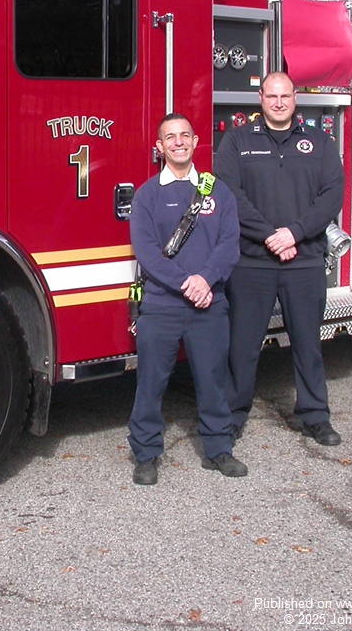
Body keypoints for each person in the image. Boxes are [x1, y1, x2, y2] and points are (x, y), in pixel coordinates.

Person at [214, 71, 345, 447]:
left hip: (304, 262)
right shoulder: (236, 141)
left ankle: (315, 416)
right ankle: (232, 416)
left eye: (285, 96)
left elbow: (331, 196)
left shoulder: (319, 142)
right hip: (252, 262)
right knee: (242, 346)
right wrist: (271, 235)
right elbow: (229, 194)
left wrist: (295, 233)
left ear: (295, 98)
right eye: (271, 96)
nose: (278, 102)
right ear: (260, 98)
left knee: (308, 345)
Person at [128, 114, 246, 484]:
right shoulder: (147, 194)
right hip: (162, 306)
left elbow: (230, 245)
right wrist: (186, 283)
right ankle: (146, 454)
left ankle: (218, 450)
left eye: (185, 136)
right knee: (150, 383)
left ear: (196, 142)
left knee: (212, 380)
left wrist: (205, 280)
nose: (178, 142)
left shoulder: (218, 192)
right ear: (159, 147)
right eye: (170, 137)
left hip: (208, 304)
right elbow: (146, 252)